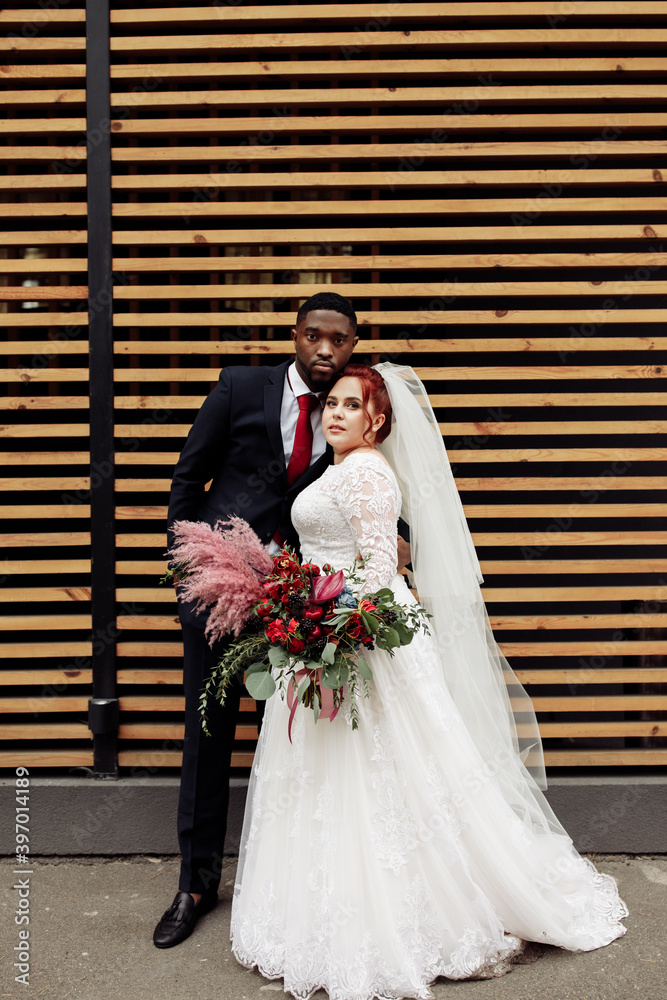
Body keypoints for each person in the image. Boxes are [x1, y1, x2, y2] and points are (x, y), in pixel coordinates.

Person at [230, 362, 628, 998]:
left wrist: (327, 637)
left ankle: (427, 912)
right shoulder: (335, 469)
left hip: (362, 641)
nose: (335, 413)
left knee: (392, 775)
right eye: (331, 403)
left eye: (351, 406)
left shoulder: (365, 474)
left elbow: (378, 571)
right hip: (321, 629)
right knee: (329, 781)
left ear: (377, 419)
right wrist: (297, 616)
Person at [152, 292, 362, 948]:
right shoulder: (241, 387)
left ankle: (293, 888)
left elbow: (366, 484)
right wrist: (192, 569)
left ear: (352, 345)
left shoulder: (351, 406)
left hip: (301, 602)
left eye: (339, 340)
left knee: (298, 743)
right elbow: (188, 480)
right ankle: (194, 884)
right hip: (221, 595)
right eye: (314, 336)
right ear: (296, 336)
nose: (325, 349)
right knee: (208, 734)